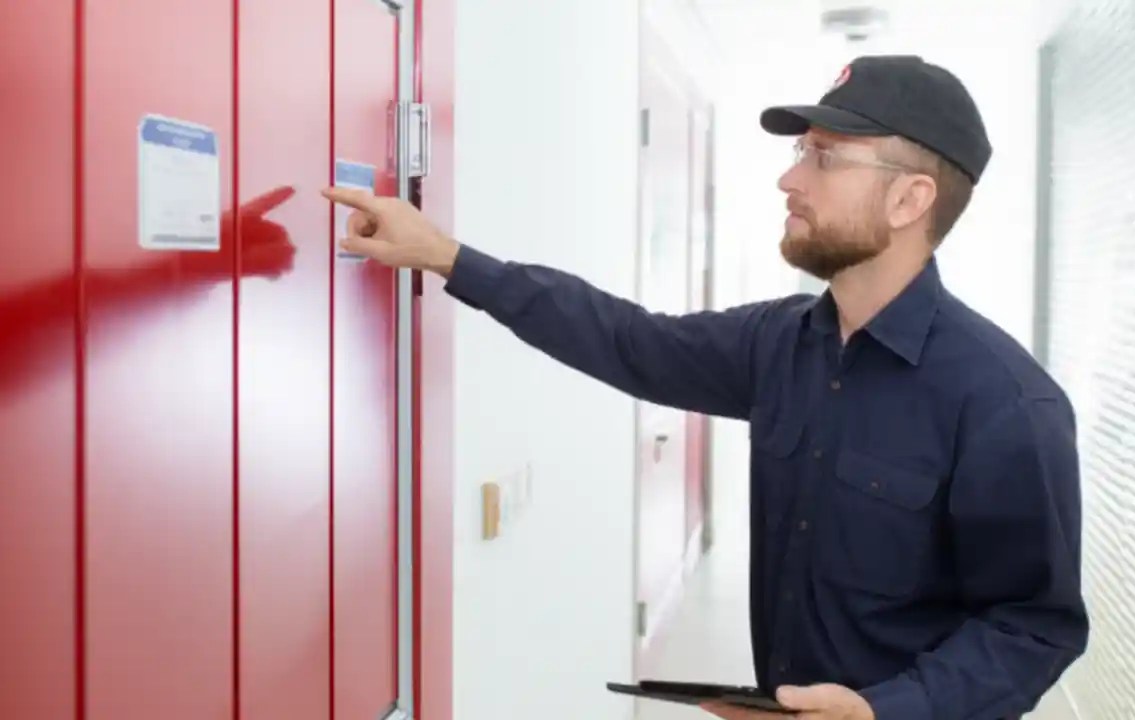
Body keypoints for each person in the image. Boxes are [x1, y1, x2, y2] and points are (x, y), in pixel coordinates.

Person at [324, 54, 1088, 720]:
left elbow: (1033, 628)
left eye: (824, 157)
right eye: (800, 150)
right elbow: (628, 340)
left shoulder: (1005, 403)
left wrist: (886, 711)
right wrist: (448, 256)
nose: (790, 177)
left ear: (910, 199)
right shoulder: (780, 343)